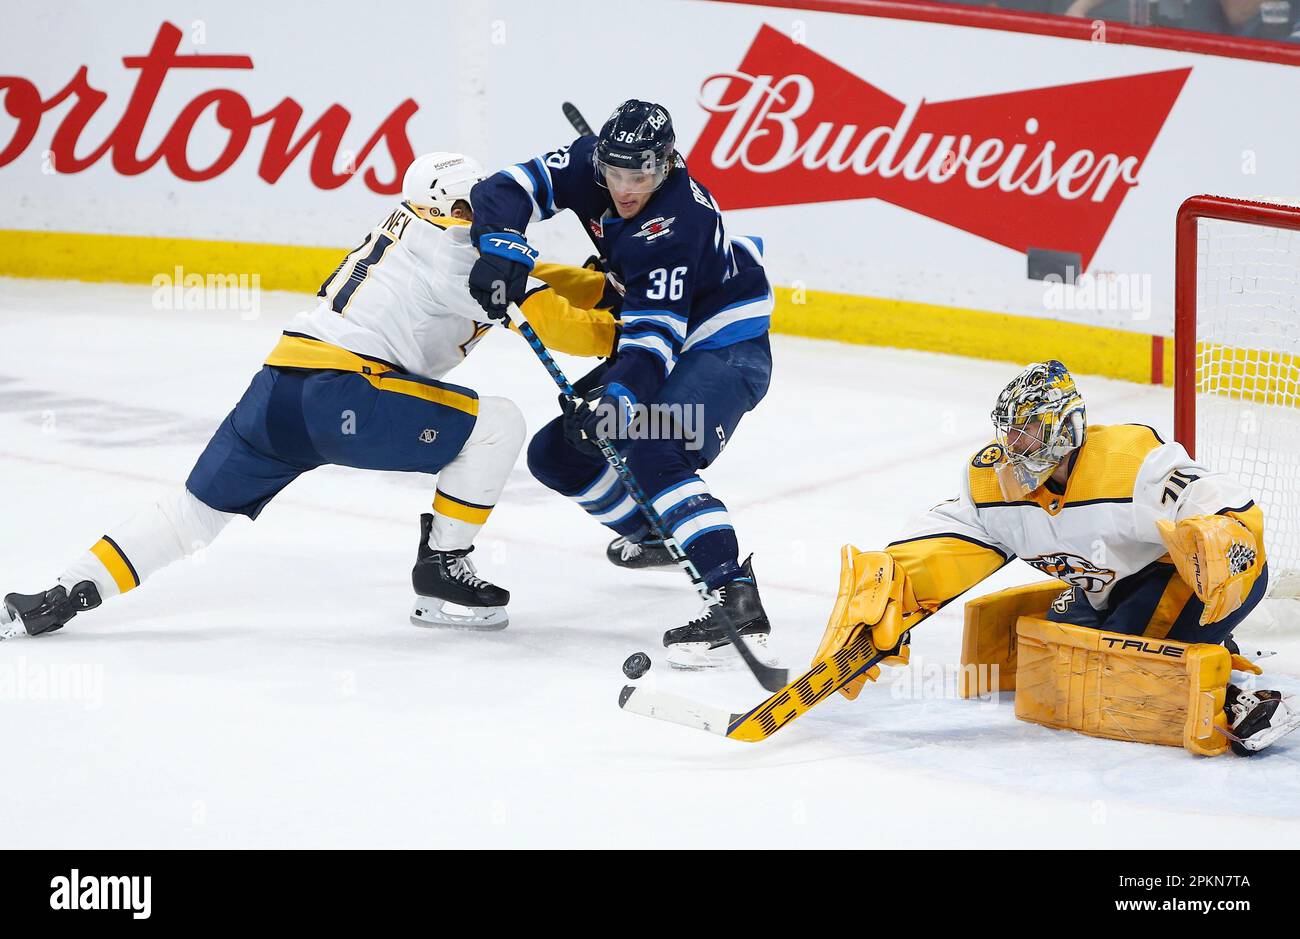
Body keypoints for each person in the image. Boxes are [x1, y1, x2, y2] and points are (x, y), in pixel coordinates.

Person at [2, 152, 616, 639]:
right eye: (468, 204)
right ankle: (442, 569)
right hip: (346, 392)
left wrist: (604, 280)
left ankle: (62, 594)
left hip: (277, 390)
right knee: (498, 423)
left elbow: (540, 277)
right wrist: (647, 320)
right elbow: (569, 330)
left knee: (193, 513)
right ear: (441, 206)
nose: (482, 214)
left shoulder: (413, 229)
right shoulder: (458, 250)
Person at [812, 360, 1297, 754]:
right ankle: (1207, 647)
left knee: (1115, 674)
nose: (1013, 447)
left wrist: (1222, 536)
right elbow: (958, 531)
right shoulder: (992, 483)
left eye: (1027, 434)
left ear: (1066, 428)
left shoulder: (1130, 463)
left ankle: (1245, 700)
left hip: (1197, 579)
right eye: (1010, 434)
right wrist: (896, 581)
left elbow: (1208, 497)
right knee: (1062, 658)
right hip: (1107, 585)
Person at [465, 100, 775, 668]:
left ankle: (737, 597)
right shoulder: (593, 164)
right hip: (671, 339)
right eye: (615, 173)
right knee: (558, 455)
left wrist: (616, 400)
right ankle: (656, 534)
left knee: (653, 445)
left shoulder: (677, 226)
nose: (625, 188)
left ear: (668, 163)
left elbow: (650, 340)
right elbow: (506, 187)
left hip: (724, 350)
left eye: (641, 176)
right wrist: (501, 245)